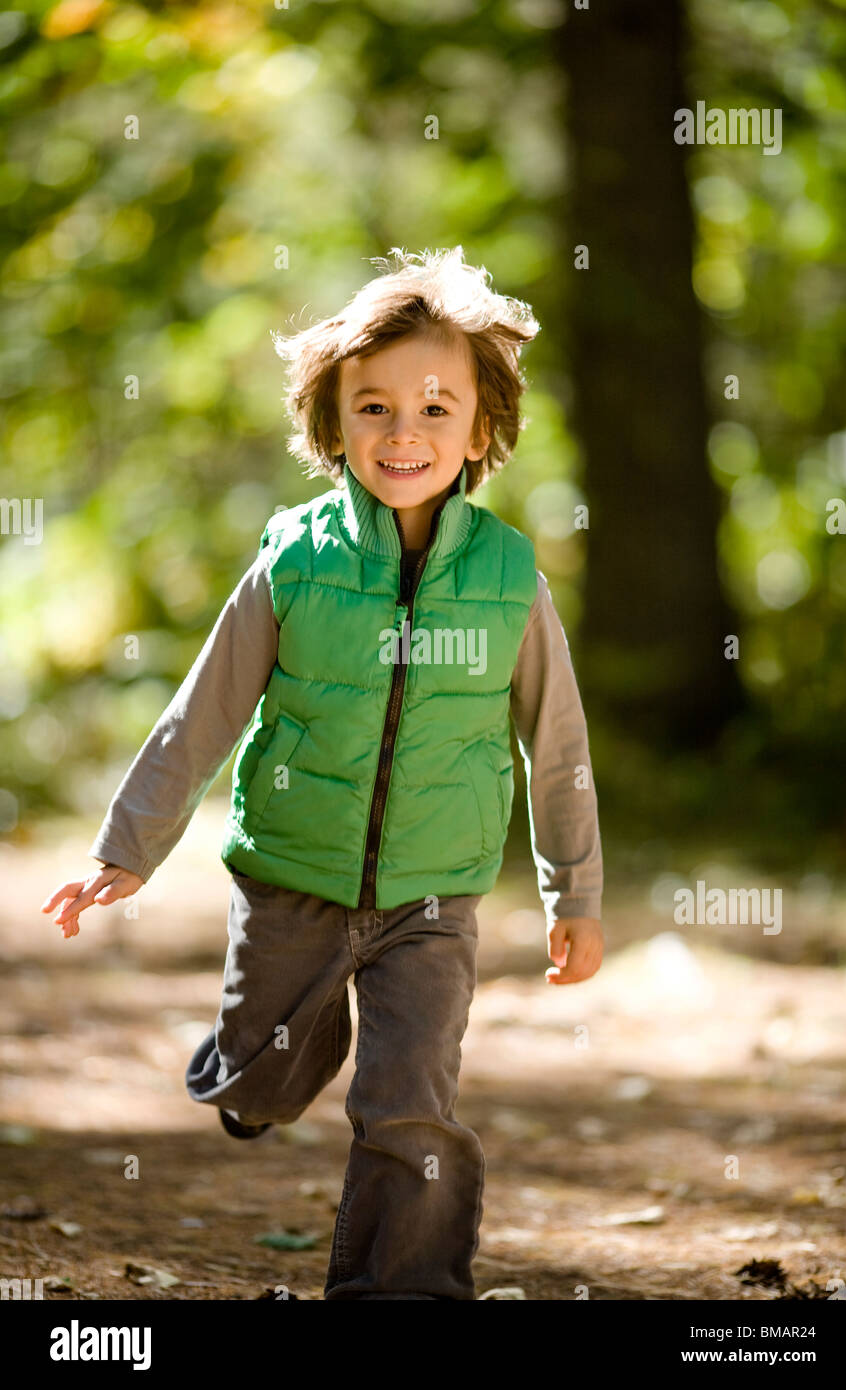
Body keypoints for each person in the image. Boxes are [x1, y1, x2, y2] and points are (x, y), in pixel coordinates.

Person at [40, 246, 604, 1300]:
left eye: (436, 409)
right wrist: (126, 848)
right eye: (374, 408)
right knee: (267, 1071)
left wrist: (571, 889)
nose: (404, 433)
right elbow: (201, 714)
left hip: (432, 896)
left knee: (410, 1101)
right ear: (332, 425)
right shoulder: (292, 564)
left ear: (481, 429)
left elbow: (555, 742)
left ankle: (400, 1288)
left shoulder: (507, 580)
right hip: (294, 877)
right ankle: (248, 1079)